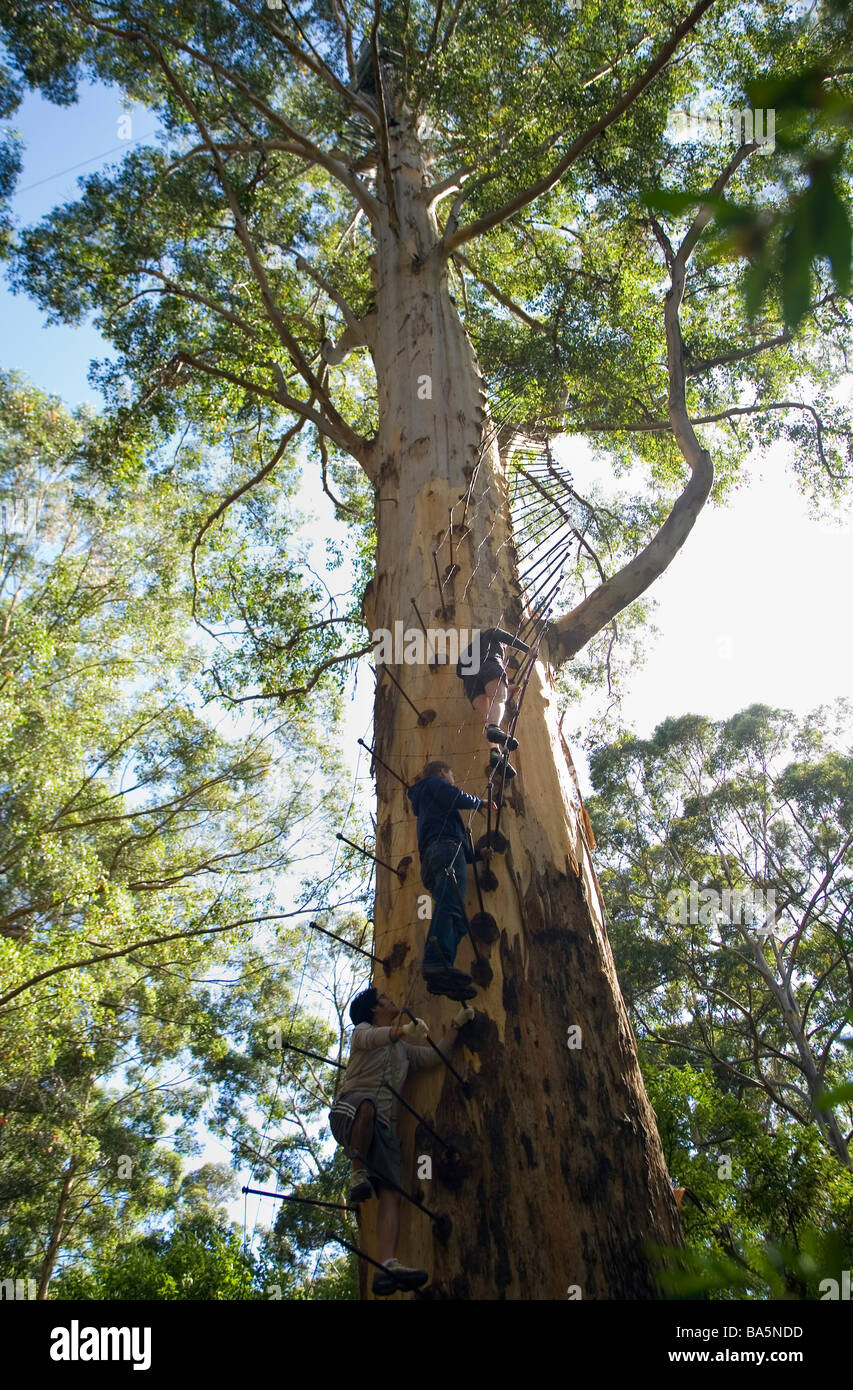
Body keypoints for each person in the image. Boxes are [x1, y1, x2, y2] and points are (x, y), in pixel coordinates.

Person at [329, 987, 474, 1296]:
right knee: (367, 1104)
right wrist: (405, 1029)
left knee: (392, 1193)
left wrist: (457, 1026)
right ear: (373, 1010)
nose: (390, 999)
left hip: (381, 1128)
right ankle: (357, 1172)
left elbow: (432, 1057)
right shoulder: (363, 1032)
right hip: (349, 1112)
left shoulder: (402, 1051)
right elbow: (373, 1040)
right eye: (384, 999)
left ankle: (386, 1266)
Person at [407, 761, 494, 999]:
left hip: (437, 856)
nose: (453, 778)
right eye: (452, 773)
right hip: (444, 850)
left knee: (456, 918)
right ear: (443, 772)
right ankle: (437, 961)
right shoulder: (433, 784)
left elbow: (451, 841)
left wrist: (476, 855)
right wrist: (480, 802)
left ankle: (443, 976)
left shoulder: (430, 806)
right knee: (450, 907)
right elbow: (454, 796)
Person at [456, 626, 531, 780]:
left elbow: (459, 670)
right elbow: (503, 636)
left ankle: (495, 752)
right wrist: (528, 649)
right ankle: (495, 729)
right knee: (499, 700)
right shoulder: (491, 635)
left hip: (469, 681)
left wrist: (507, 688)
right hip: (490, 664)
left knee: (489, 715)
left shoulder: (469, 650)